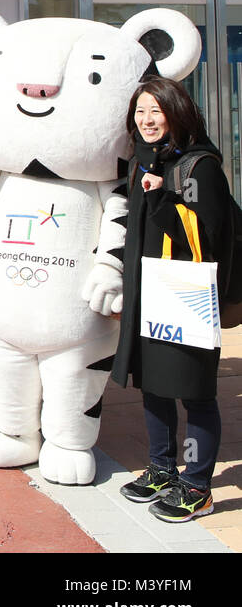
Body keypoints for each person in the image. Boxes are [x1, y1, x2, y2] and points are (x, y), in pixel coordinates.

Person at [111, 77, 229, 522]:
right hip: (148, 289)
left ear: (176, 112)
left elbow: (206, 236)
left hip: (187, 294)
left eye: (155, 112)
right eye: (140, 112)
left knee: (194, 392)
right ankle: (162, 468)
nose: (146, 121)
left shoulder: (199, 167)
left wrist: (163, 196)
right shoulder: (141, 162)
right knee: (154, 384)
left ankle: (198, 485)